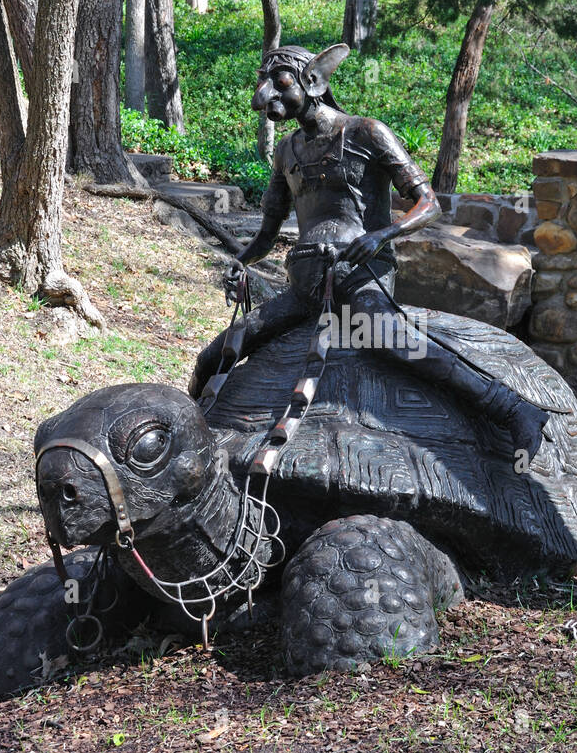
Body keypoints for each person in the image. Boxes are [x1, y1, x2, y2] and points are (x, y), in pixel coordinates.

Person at [189, 43, 548, 459]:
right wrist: (240, 261)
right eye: (263, 84)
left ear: (314, 80)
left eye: (280, 83)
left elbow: (428, 203)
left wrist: (381, 236)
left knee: (397, 341)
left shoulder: (365, 132)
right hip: (305, 289)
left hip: (362, 278)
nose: (264, 96)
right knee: (216, 354)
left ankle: (513, 407)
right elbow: (267, 235)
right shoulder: (286, 152)